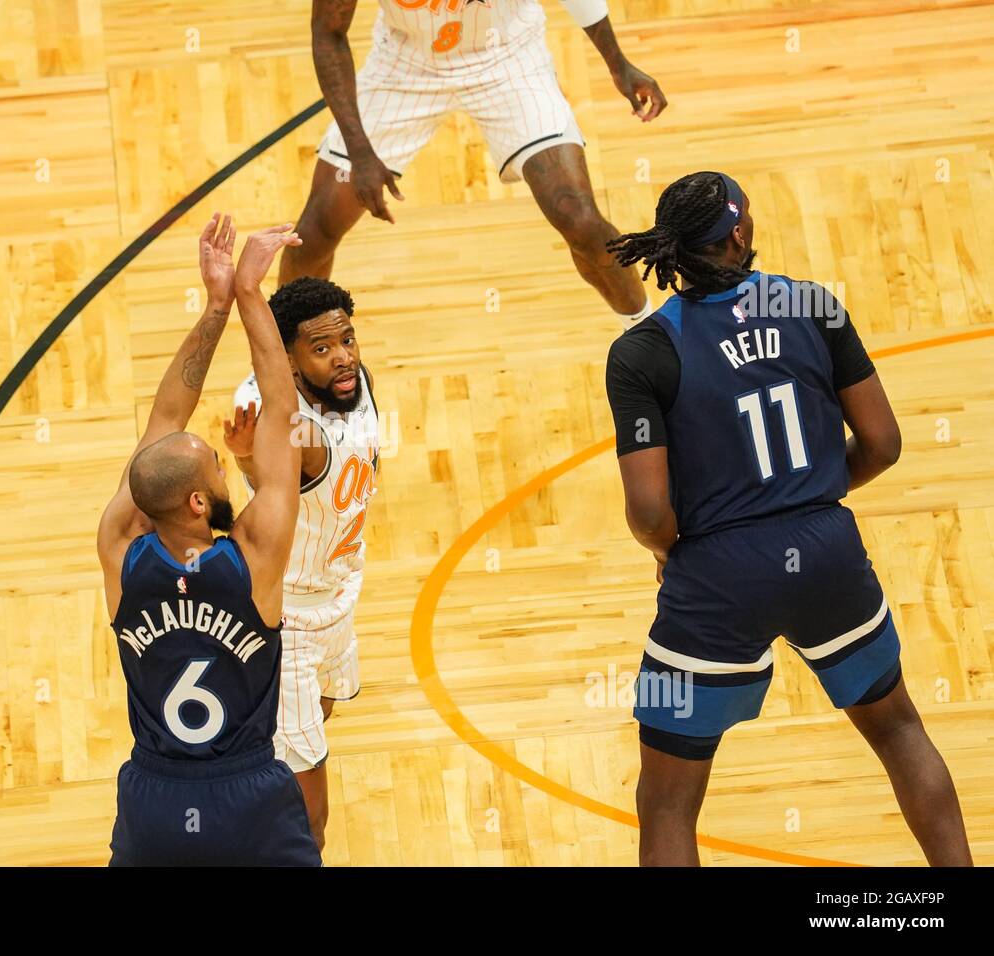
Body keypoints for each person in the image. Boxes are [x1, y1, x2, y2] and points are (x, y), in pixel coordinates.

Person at [604, 171, 973, 866]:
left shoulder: (642, 351)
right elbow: (885, 444)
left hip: (715, 572)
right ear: (739, 233)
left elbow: (649, 510)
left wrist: (670, 552)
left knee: (667, 796)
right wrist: (813, 490)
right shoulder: (811, 306)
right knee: (897, 730)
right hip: (827, 550)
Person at [97, 214, 320, 865]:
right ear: (200, 502)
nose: (226, 469)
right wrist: (249, 295)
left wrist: (214, 307)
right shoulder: (252, 560)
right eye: (217, 468)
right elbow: (282, 413)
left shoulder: (120, 548)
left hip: (155, 800)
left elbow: (166, 419)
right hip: (247, 796)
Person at [282, 0, 668, 329]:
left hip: (509, 57)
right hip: (404, 63)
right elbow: (328, 33)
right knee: (314, 232)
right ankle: (277, 365)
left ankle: (648, 339)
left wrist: (618, 63)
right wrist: (360, 150)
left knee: (579, 217)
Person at [223, 275, 381, 852]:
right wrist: (247, 462)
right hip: (289, 621)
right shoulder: (294, 431)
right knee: (307, 822)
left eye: (347, 339)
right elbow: (259, 514)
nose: (342, 357)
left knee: (314, 724)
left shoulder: (356, 384)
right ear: (288, 360)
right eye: (320, 348)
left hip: (340, 597)